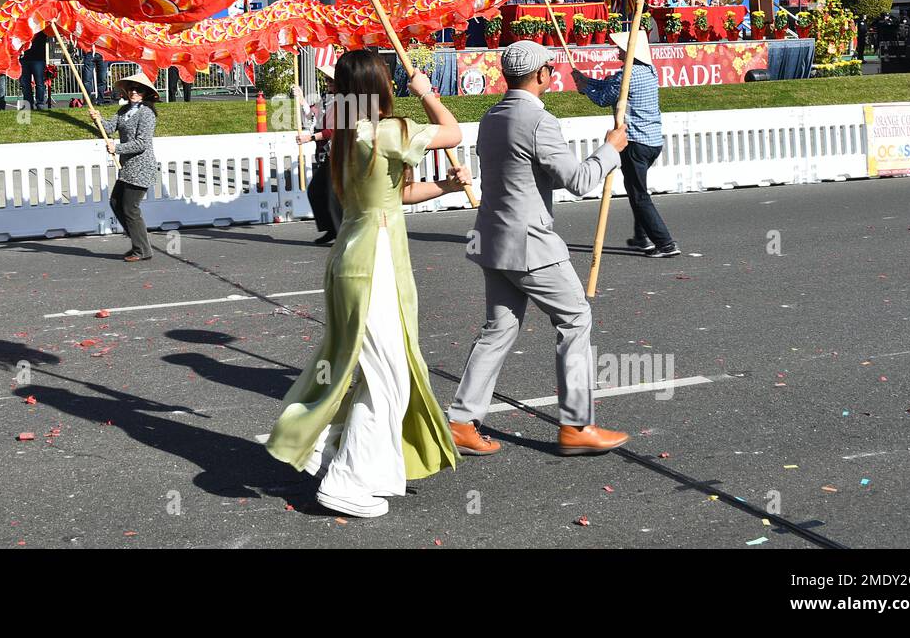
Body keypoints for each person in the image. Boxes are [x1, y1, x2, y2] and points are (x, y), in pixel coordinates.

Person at [266, 49, 471, 519]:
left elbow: (396, 197)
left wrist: (449, 188)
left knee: (362, 369)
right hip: (374, 262)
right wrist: (428, 94)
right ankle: (347, 479)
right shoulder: (388, 130)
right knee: (389, 378)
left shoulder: (347, 134)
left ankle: (330, 448)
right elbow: (454, 132)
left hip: (351, 258)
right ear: (377, 84)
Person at [447, 40, 631, 456]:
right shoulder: (538, 120)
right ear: (541, 75)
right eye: (550, 67)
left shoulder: (492, 116)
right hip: (530, 243)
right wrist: (610, 150)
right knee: (575, 318)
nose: (553, 72)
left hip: (493, 239)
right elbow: (580, 181)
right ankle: (576, 425)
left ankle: (462, 420)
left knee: (499, 329)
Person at [573, 30, 679, 257]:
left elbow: (603, 98)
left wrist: (584, 88)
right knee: (636, 190)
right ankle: (642, 237)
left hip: (635, 143)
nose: (617, 51)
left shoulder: (626, 75)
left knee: (638, 194)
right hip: (652, 141)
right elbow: (609, 86)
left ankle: (665, 243)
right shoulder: (649, 71)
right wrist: (585, 81)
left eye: (621, 48)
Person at [104, 72, 158, 262]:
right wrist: (97, 118)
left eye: (139, 89)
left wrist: (116, 147)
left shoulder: (147, 113)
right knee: (115, 203)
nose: (134, 91)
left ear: (146, 93)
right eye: (132, 88)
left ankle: (142, 249)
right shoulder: (123, 111)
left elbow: (142, 143)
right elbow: (108, 128)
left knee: (130, 208)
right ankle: (139, 244)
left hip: (142, 167)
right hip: (127, 167)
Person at [294, 64, 340, 244]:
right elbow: (312, 114)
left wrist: (310, 137)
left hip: (338, 153)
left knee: (330, 193)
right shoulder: (327, 99)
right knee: (316, 191)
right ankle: (331, 229)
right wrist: (301, 99)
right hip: (326, 154)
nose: (327, 83)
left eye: (331, 80)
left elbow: (334, 130)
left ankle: (339, 230)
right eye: (327, 80)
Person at [19, 30, 50, 111]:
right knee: (26, 84)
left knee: (39, 83)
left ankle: (40, 103)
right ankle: (28, 104)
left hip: (38, 59)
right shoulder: (23, 28)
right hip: (25, 59)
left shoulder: (42, 28)